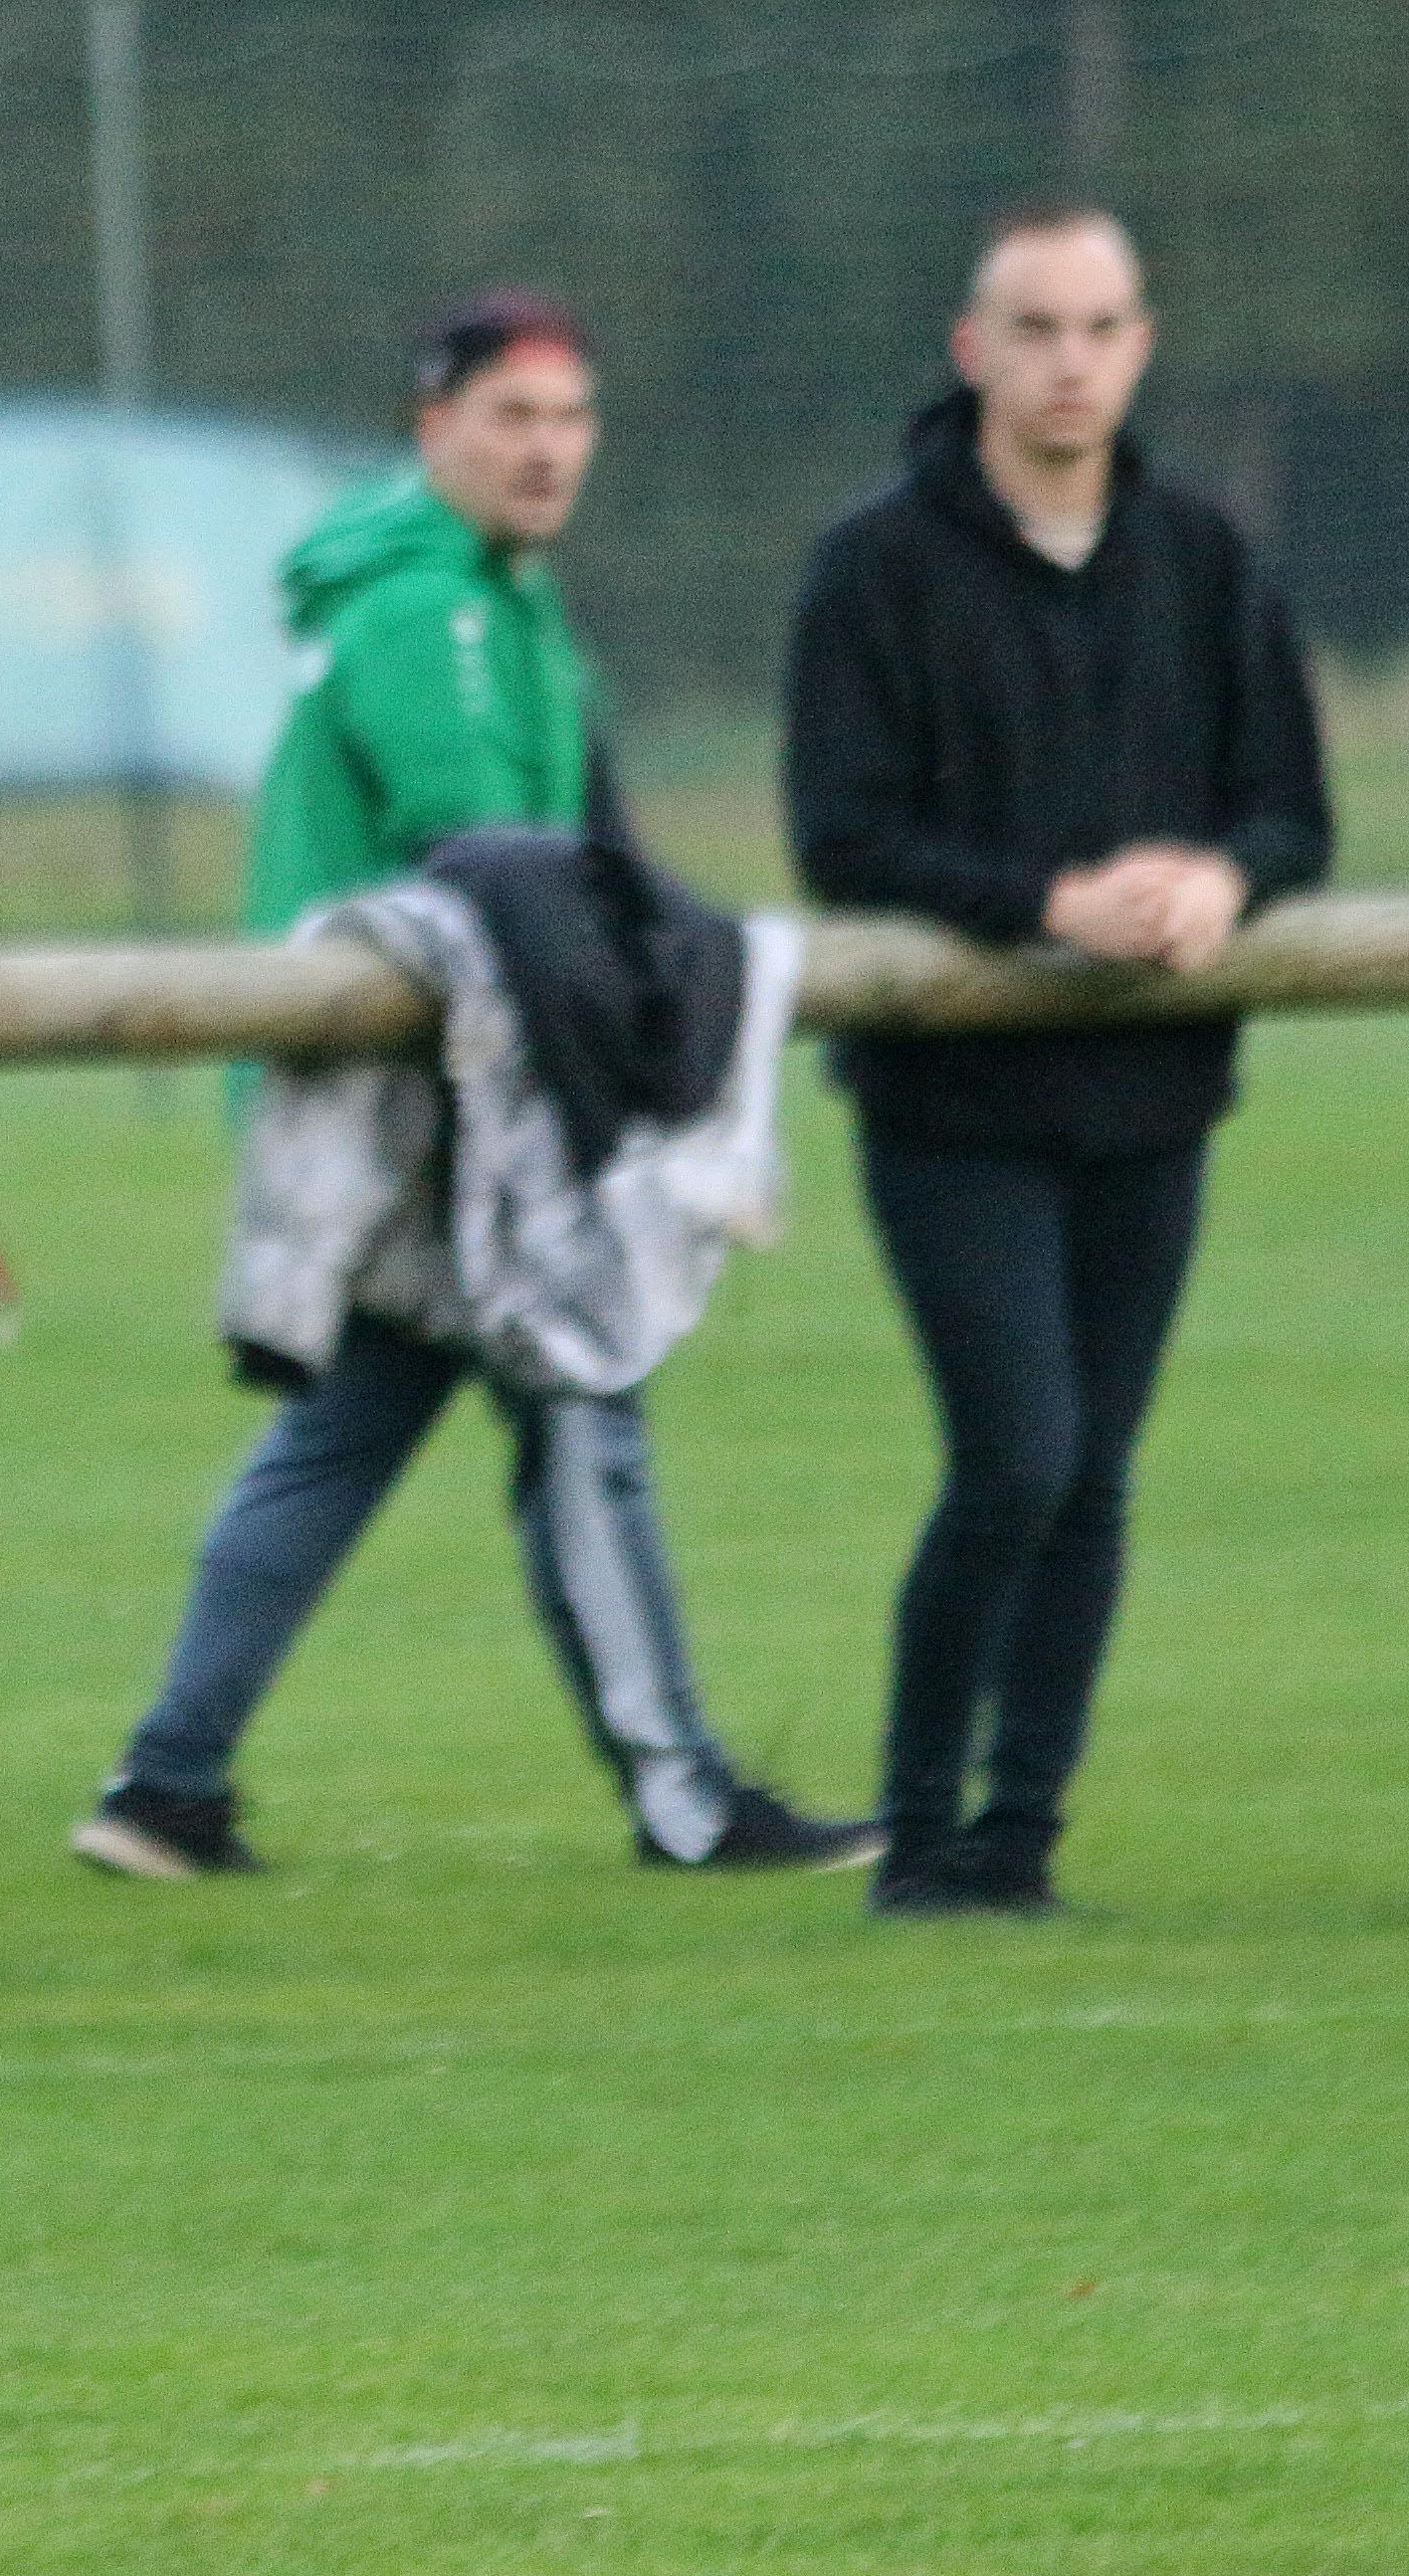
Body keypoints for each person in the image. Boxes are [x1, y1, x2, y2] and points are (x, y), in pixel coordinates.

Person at [77, 294, 875, 1884]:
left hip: (424, 1098)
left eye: (571, 418)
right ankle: (686, 1796)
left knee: (346, 1433)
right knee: (586, 1397)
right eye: (511, 415)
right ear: (429, 425)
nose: (545, 447)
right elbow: (494, 860)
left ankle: (166, 1784)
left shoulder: (499, 594)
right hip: (443, 1109)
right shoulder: (424, 607)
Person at [784, 202, 1330, 1916]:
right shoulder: (875, 567)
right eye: (1035, 327)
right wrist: (1051, 905)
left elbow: (1294, 810)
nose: (1069, 360)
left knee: (1093, 1472)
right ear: (973, 349)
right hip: (952, 1101)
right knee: (1014, 1452)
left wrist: (1222, 876)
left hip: (1154, 1096)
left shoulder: (1206, 559)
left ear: (1141, 344)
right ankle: (917, 1834)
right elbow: (842, 835)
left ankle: (1017, 1842)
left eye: (1099, 326)